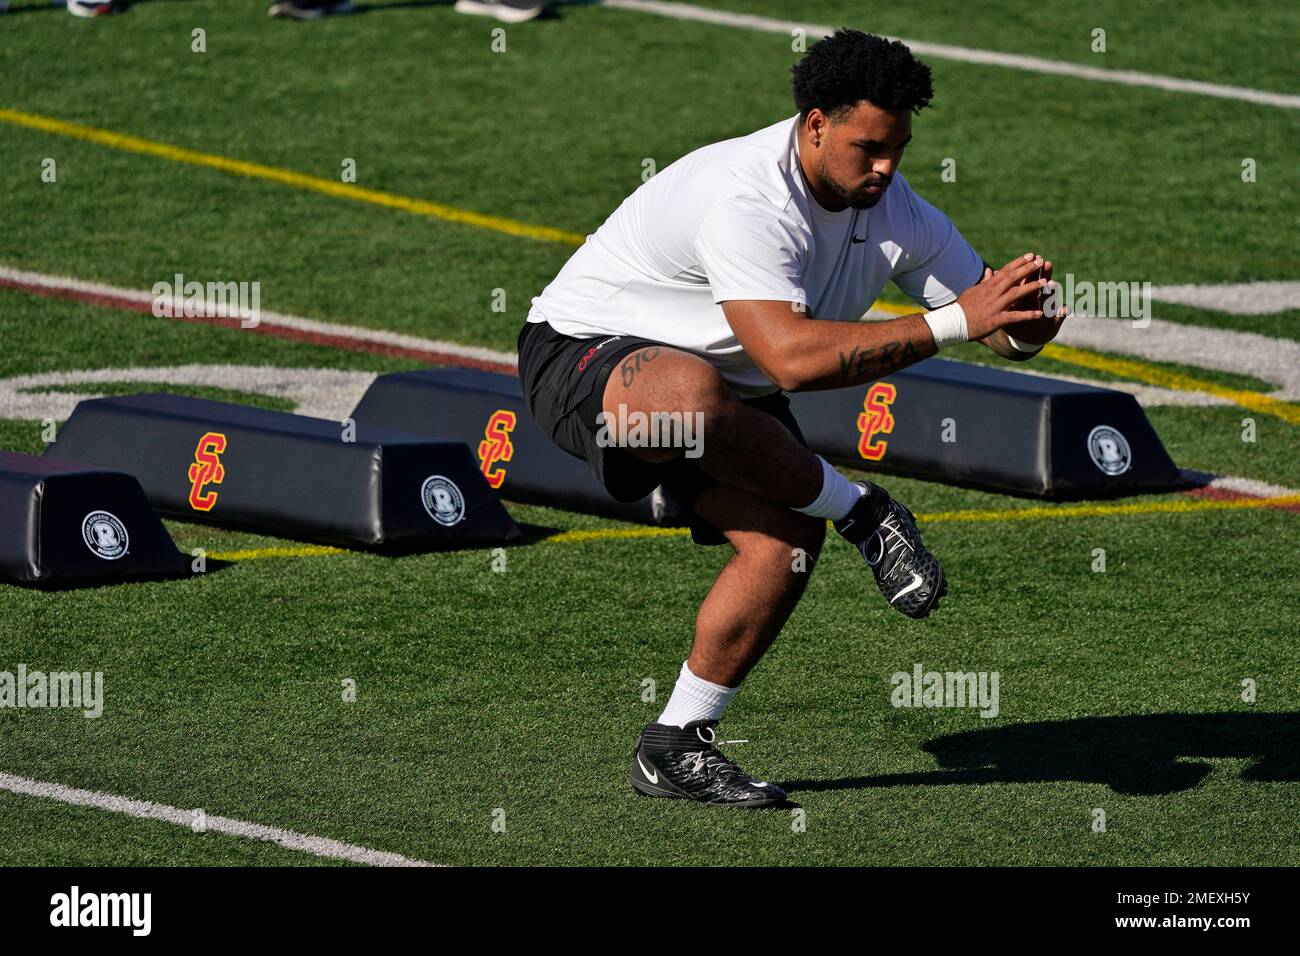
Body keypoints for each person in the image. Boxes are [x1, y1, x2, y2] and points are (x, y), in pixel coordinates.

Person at [516, 29, 1067, 808]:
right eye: (870, 148)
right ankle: (865, 510)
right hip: (586, 360)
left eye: (900, 149)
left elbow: (996, 323)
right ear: (815, 124)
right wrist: (958, 324)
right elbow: (793, 362)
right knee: (692, 396)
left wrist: (1027, 321)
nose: (886, 168)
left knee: (784, 544)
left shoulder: (897, 208)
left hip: (727, 383)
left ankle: (675, 743)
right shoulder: (747, 195)